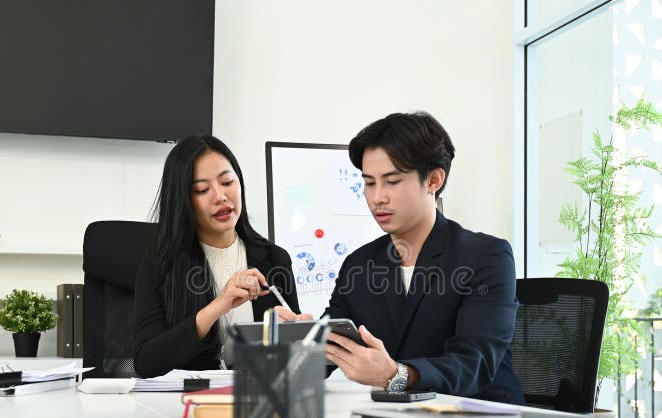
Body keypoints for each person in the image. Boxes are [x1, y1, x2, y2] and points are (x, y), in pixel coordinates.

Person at [277, 112, 523, 403]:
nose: (377, 197)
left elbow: (474, 364)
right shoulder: (360, 265)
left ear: (433, 180)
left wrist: (397, 374)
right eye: (369, 183)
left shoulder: (486, 256)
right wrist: (300, 339)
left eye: (391, 181)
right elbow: (327, 357)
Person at [134, 134, 301, 378]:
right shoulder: (161, 264)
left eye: (227, 182)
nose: (220, 196)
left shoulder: (274, 259)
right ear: (183, 201)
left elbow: (296, 366)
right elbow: (146, 363)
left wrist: (291, 334)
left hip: (255, 401)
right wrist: (217, 307)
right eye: (202, 189)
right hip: (184, 406)